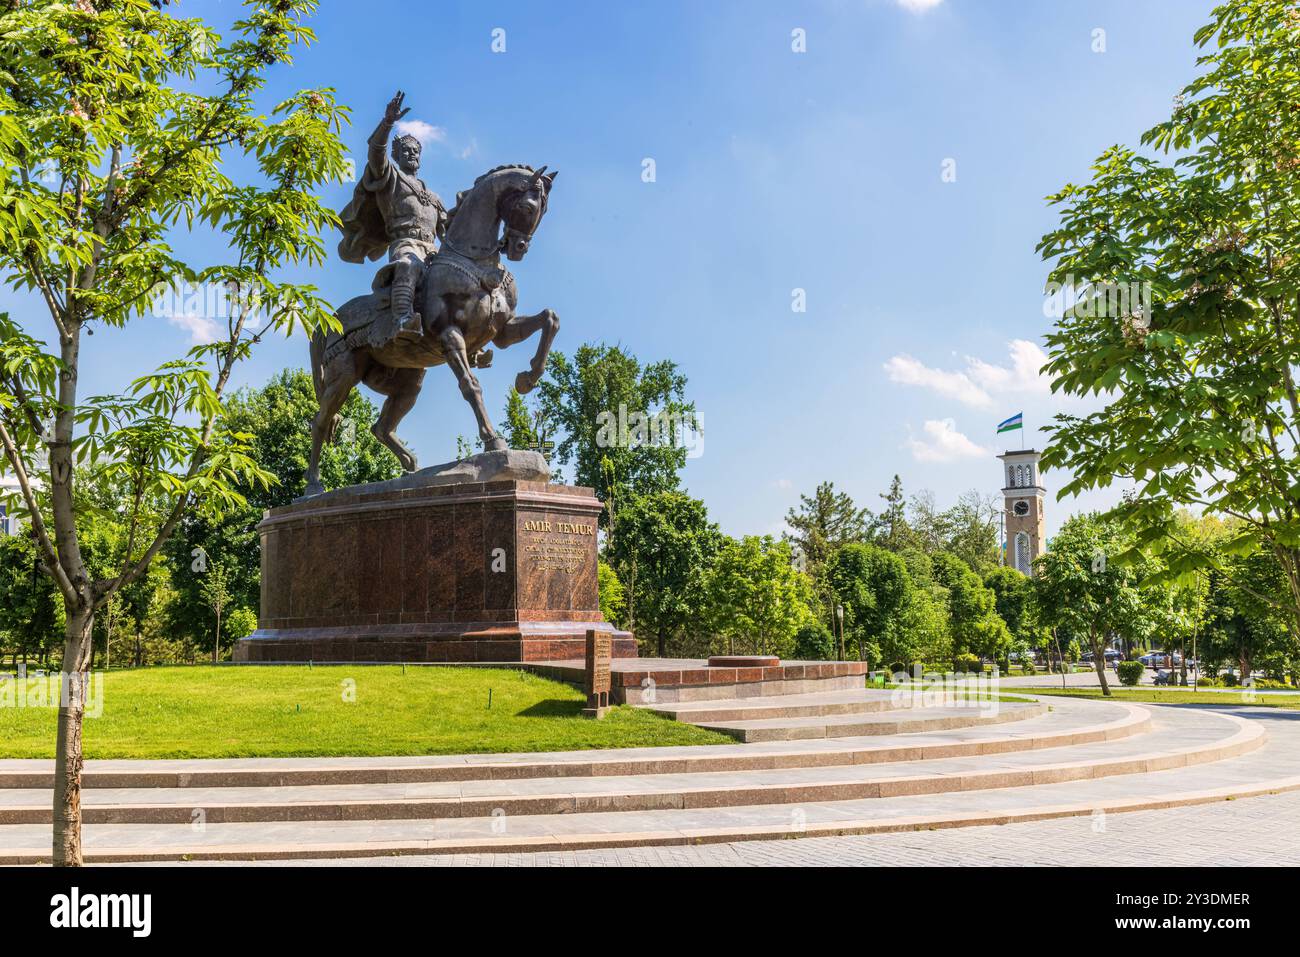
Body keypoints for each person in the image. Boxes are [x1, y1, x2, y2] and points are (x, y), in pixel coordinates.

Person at [338, 91, 448, 333]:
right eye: (406, 150)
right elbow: (376, 154)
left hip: (433, 250)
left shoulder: (435, 198)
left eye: (416, 151)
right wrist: (387, 123)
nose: (412, 154)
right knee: (408, 266)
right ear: (397, 156)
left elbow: (449, 234)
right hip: (405, 244)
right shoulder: (391, 178)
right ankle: (402, 318)